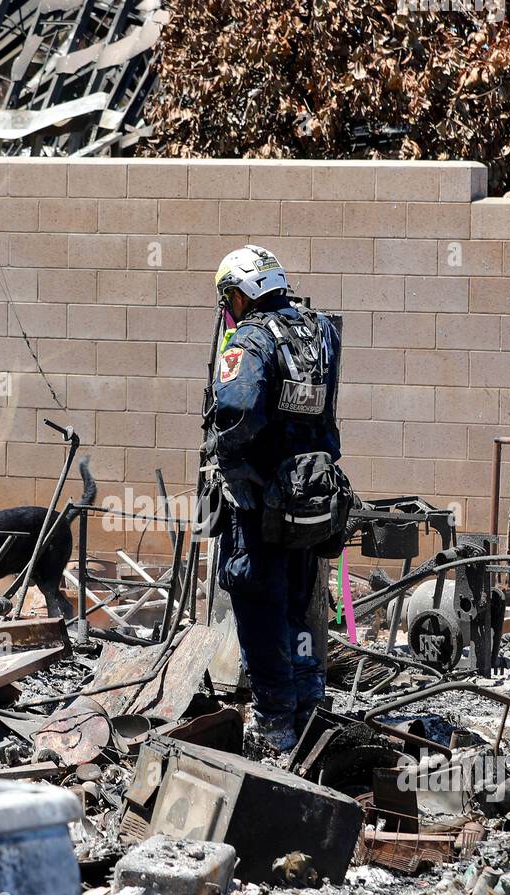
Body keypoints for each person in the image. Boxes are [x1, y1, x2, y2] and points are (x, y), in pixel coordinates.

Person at [204, 245, 345, 752]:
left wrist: (227, 458)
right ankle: (309, 705)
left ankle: (274, 726)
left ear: (243, 291)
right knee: (298, 604)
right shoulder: (320, 331)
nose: (229, 306)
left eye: (229, 295)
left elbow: (236, 410)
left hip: (259, 503)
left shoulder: (250, 340)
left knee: (258, 602)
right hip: (310, 499)